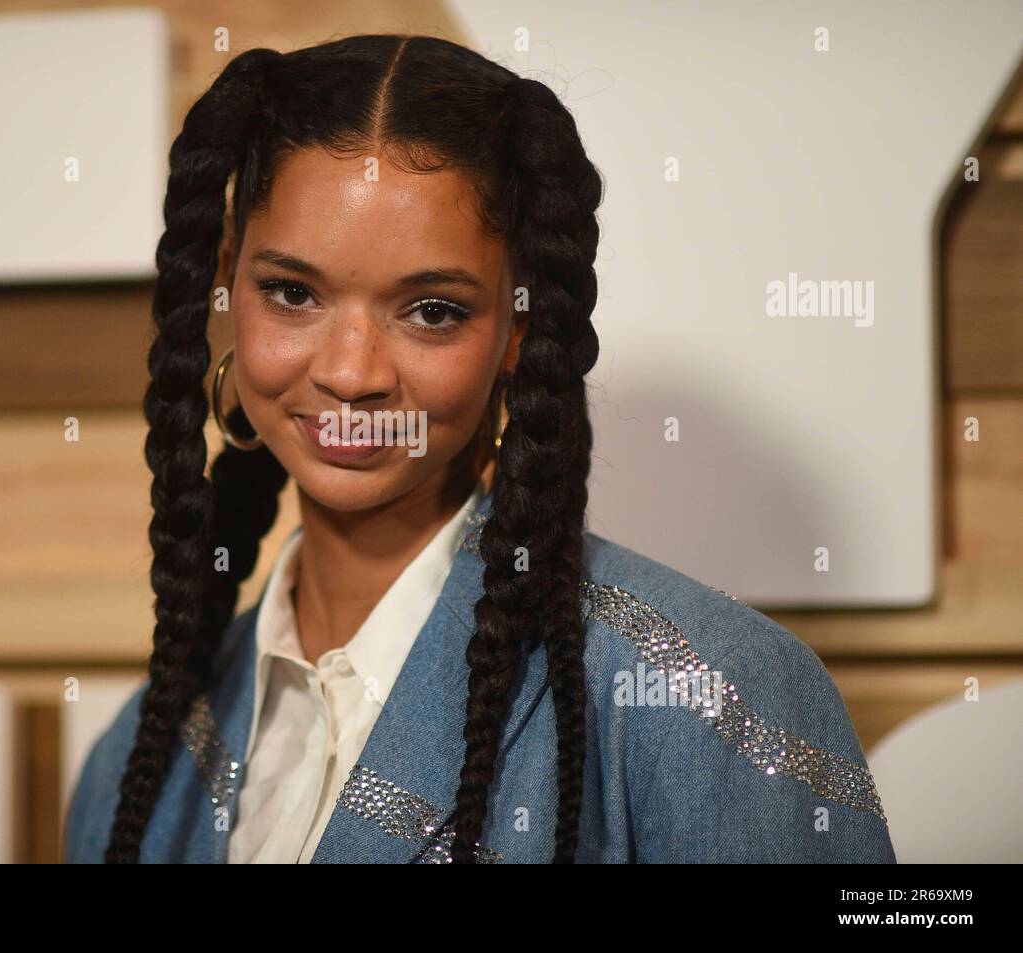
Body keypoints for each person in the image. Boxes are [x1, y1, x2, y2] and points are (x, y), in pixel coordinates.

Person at [64, 34, 897, 863]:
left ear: (516, 331)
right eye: (292, 293)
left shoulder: (714, 695)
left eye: (431, 310)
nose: (351, 373)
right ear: (226, 287)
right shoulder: (131, 771)